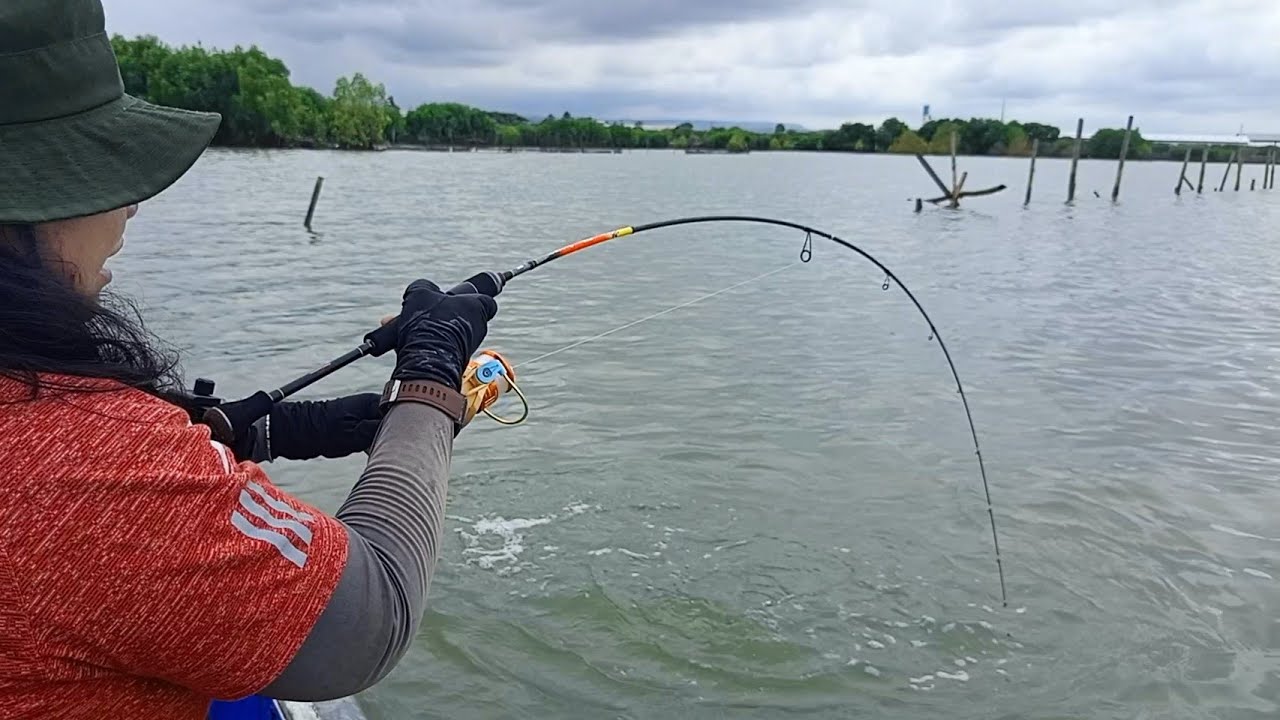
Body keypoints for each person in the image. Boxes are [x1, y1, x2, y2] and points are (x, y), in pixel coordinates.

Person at [0, 1, 499, 718]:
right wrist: (429, 375)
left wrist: (249, 429)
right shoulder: (83, 470)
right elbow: (374, 613)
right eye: (106, 175)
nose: (133, 205)